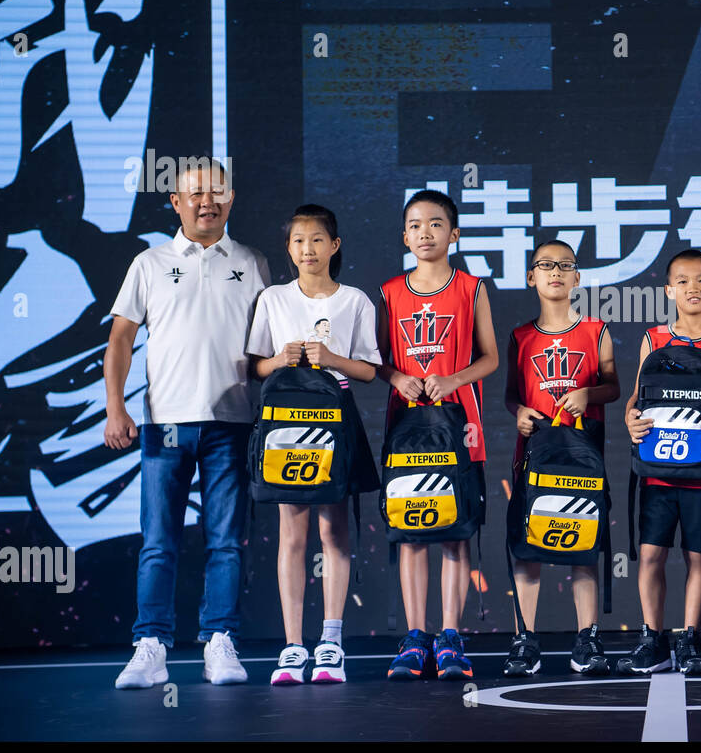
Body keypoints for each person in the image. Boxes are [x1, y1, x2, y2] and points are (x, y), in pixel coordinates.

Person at [105, 157, 270, 688]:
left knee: (226, 541)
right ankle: (150, 645)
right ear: (176, 202)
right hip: (166, 424)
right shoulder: (149, 263)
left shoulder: (254, 261)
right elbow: (121, 340)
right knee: (159, 540)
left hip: (234, 422)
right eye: (194, 194)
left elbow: (266, 350)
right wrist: (115, 407)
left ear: (231, 198)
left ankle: (219, 641)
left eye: (216, 192)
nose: (207, 202)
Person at [246, 204, 381, 685]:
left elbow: (370, 370)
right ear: (289, 248)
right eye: (299, 240)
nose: (309, 249)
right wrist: (280, 360)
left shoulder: (355, 301)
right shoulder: (273, 300)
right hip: (284, 420)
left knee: (334, 531)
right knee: (292, 534)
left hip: (334, 418)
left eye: (318, 239)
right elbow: (253, 367)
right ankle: (292, 645)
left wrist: (333, 358)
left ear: (335, 245)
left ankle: (331, 641)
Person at [378, 190, 498, 681]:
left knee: (455, 531)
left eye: (435, 224)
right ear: (404, 235)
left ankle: (450, 636)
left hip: (459, 425)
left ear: (455, 233)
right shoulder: (388, 291)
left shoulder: (471, 288)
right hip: (406, 427)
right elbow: (376, 360)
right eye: (414, 225)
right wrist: (394, 377)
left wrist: (453, 380)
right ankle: (415, 636)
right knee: (410, 532)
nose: (424, 233)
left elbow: (490, 358)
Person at [503, 240, 620, 676]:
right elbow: (512, 397)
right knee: (528, 547)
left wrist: (587, 394)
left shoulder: (596, 330)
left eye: (565, 265)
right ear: (531, 276)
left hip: (580, 459)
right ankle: (525, 640)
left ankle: (587, 638)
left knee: (583, 546)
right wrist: (519, 415)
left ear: (577, 277)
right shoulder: (520, 335)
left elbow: (614, 388)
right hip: (533, 459)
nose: (555, 272)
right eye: (545, 265)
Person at [619, 249, 701, 675]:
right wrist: (630, 418)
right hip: (659, 471)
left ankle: (690, 638)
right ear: (668, 290)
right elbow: (638, 395)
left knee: (699, 557)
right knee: (651, 555)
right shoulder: (653, 337)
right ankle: (653, 638)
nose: (693, 288)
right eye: (683, 281)